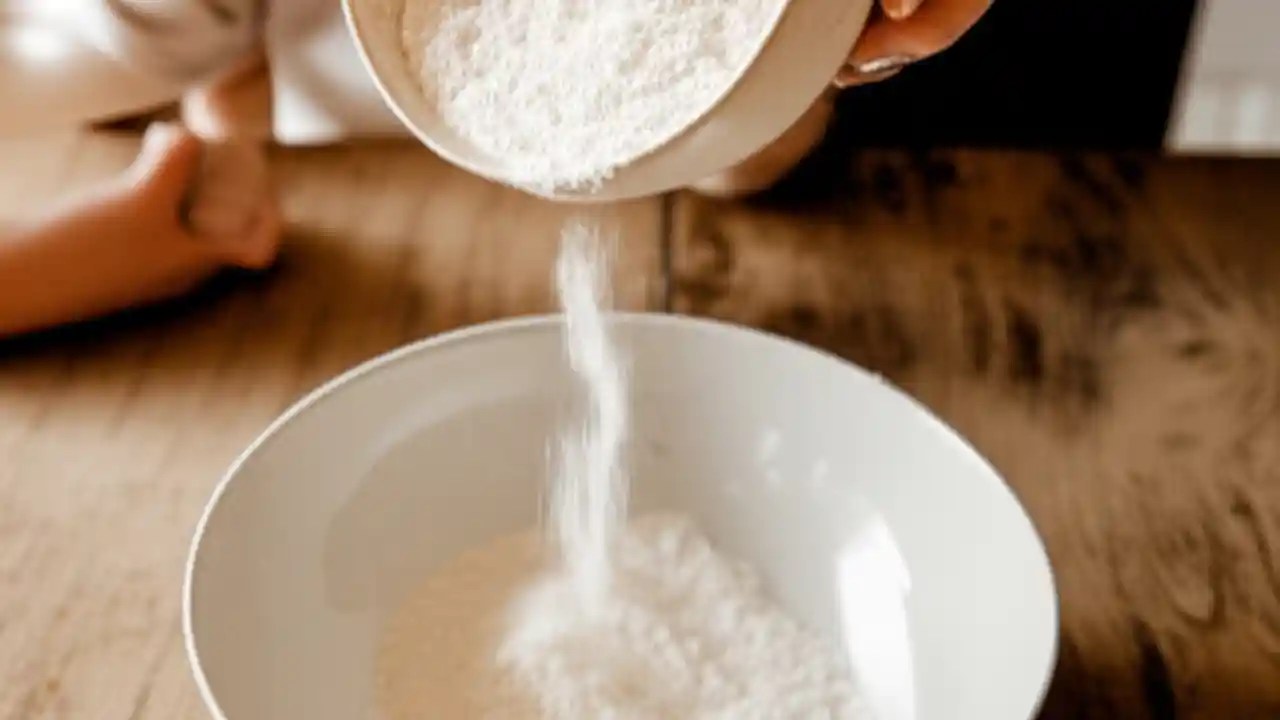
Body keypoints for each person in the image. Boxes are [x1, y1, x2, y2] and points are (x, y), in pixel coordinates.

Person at [0, 0, 989, 337]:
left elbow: (753, 147)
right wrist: (80, 253)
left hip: (822, 176)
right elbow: (148, 40)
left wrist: (797, 59)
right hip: (348, 158)